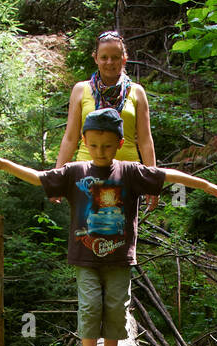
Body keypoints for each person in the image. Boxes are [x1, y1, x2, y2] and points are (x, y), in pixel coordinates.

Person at [0, 107, 217, 346]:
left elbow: (168, 175)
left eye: (107, 145)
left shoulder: (129, 172)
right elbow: (38, 178)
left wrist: (206, 185)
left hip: (119, 259)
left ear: (119, 144)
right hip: (85, 258)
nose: (100, 150)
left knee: (116, 312)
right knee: (90, 307)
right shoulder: (74, 172)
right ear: (84, 141)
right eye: (94, 145)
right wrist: (3, 164)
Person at [52, 29, 160, 213]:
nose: (109, 62)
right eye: (104, 57)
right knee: (86, 232)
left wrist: (152, 180)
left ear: (124, 58)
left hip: (127, 174)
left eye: (115, 57)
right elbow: (70, 138)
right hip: (87, 174)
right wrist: (58, 177)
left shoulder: (136, 92)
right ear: (96, 58)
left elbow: (145, 140)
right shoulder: (80, 90)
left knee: (122, 233)